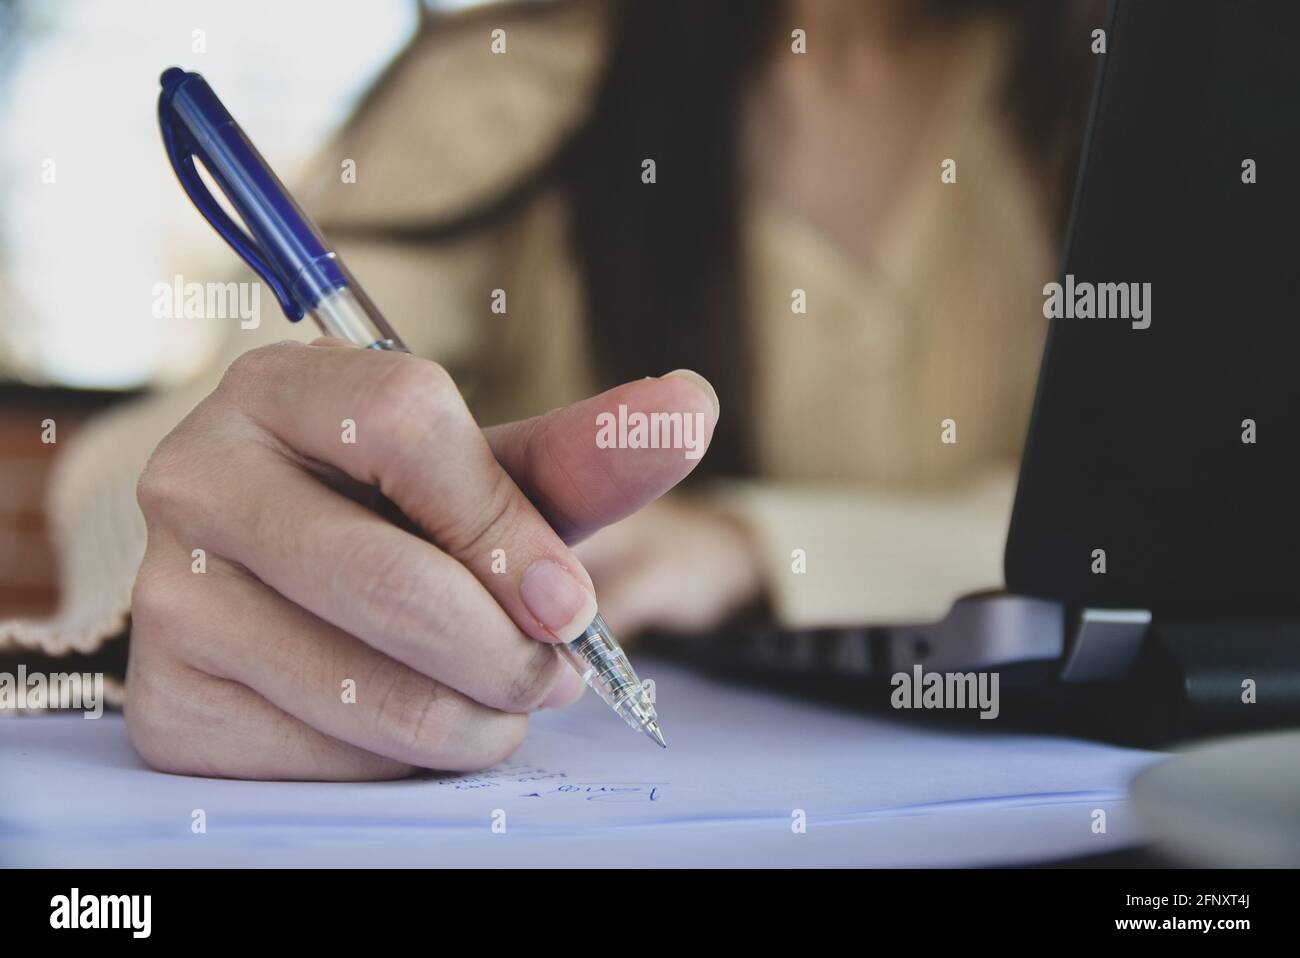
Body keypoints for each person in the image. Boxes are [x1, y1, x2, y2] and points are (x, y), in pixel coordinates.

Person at [0, 0, 1100, 778]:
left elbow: (1215, 513)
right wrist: (202, 554)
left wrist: (753, 543)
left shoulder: (1164, 85)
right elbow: (171, 444)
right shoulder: (509, 80)